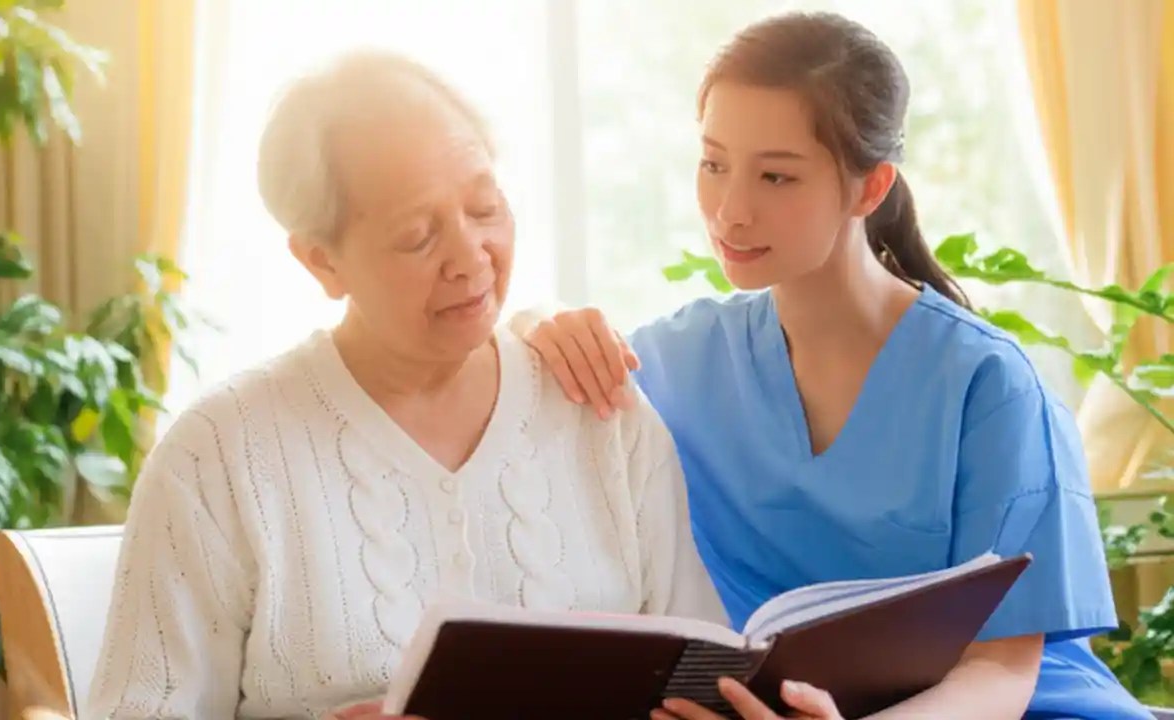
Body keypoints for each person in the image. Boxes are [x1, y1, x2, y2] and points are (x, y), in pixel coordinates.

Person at [516, 11, 1150, 720]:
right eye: (714, 164)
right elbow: (518, 388)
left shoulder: (988, 386)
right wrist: (536, 321)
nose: (730, 212)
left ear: (870, 188)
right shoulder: (678, 362)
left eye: (776, 178)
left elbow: (1000, 675)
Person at [86, 51, 727, 720]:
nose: (470, 257)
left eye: (485, 208)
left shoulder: (600, 409)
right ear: (321, 260)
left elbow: (706, 678)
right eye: (418, 237)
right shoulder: (218, 456)